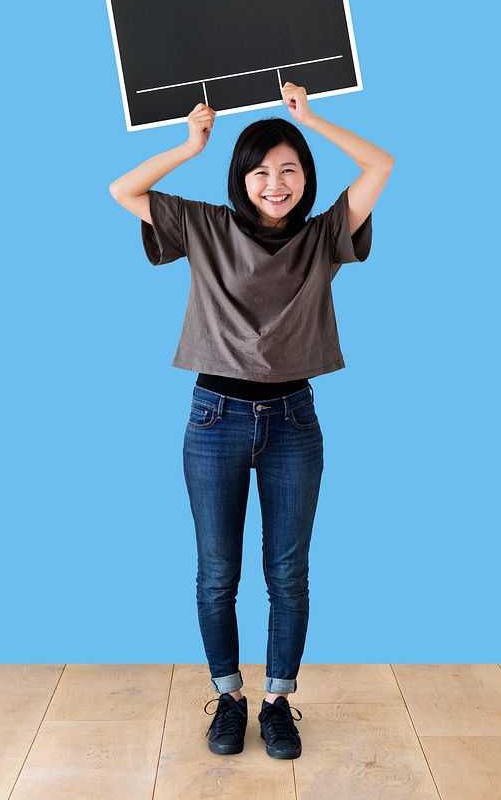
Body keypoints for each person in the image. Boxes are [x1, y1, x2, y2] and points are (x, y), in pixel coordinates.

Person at [109, 82, 394, 760]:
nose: (276, 183)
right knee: (216, 573)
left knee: (288, 573)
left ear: (305, 178)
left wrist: (312, 118)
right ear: (241, 178)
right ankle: (230, 697)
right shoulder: (204, 225)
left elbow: (380, 166)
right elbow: (123, 190)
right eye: (261, 170)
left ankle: (278, 704)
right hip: (215, 419)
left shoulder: (326, 235)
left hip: (295, 419)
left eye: (289, 169)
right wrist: (189, 145)